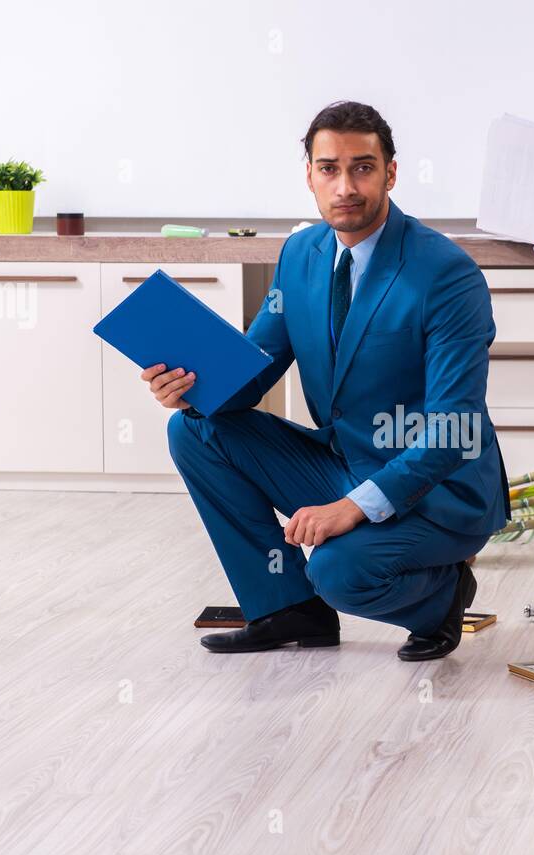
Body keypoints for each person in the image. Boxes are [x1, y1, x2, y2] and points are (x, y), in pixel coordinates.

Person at [144, 101, 509, 662]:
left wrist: (353, 508)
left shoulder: (446, 274)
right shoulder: (301, 253)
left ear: (391, 172)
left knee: (338, 571)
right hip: (343, 459)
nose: (345, 186)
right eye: (329, 169)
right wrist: (195, 387)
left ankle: (441, 599)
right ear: (310, 176)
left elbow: (452, 428)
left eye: (362, 167)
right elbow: (255, 368)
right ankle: (286, 607)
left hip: (439, 489)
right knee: (193, 430)